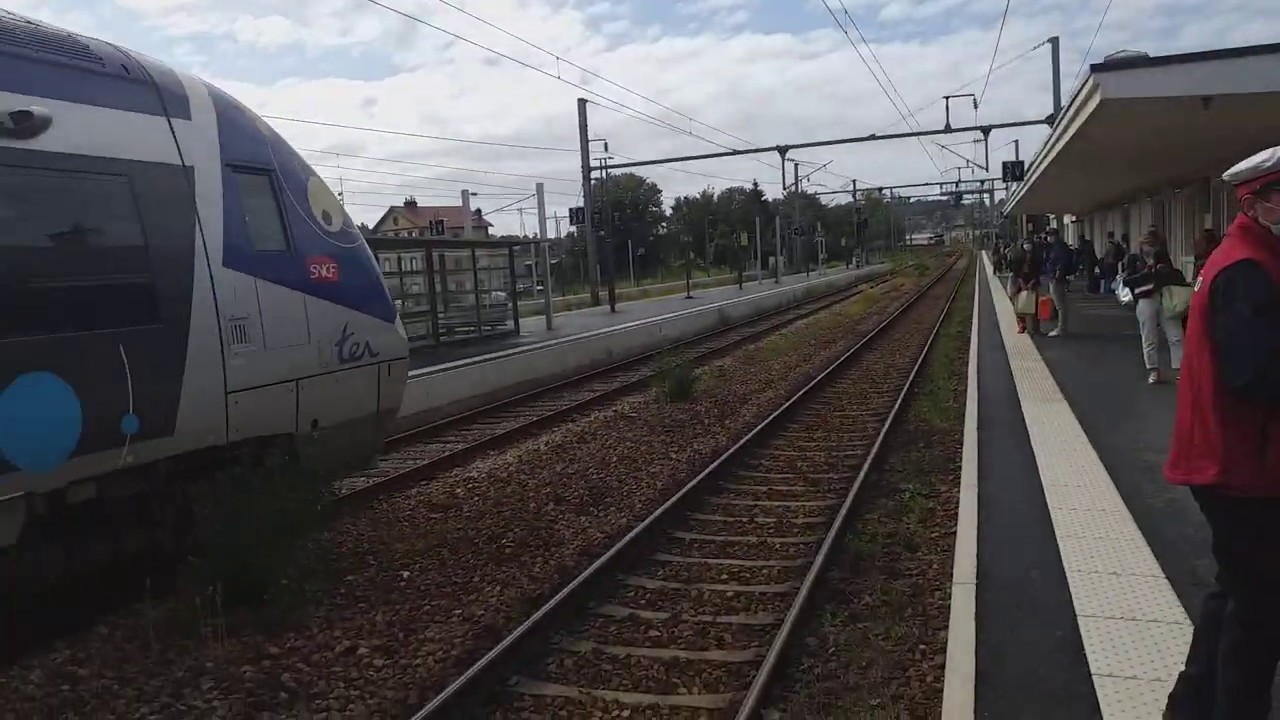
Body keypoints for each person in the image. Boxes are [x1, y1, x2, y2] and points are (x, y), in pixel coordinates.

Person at [1163, 145, 1280, 720]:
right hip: (1242, 467)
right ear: (1257, 202)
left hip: (1231, 461)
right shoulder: (1246, 269)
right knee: (1258, 616)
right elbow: (1255, 374)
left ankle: (1189, 710)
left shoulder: (1248, 256)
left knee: (1235, 594)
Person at [1123, 228, 1184, 384]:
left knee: (1175, 335)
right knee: (1149, 335)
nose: (1151, 249)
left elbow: (1172, 276)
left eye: (1154, 245)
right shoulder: (1134, 259)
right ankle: (1153, 369)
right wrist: (1148, 272)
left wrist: (1164, 271)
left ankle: (1180, 370)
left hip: (1164, 296)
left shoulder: (1162, 257)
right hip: (1145, 298)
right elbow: (1127, 280)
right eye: (1148, 245)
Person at [1006, 236, 1043, 334]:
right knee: (1019, 304)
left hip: (1032, 280)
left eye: (1029, 244)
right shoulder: (1017, 256)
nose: (1028, 246)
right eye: (1026, 244)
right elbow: (1015, 270)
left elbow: (1038, 271)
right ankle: (1022, 325)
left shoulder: (1036, 257)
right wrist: (1021, 282)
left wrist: (1031, 283)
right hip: (1019, 281)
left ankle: (1036, 328)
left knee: (1034, 305)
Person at [1045, 228, 1073, 336]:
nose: (1049, 238)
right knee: (1060, 304)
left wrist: (1057, 274)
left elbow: (1061, 262)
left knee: (1060, 305)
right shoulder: (1056, 247)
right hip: (1055, 277)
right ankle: (1061, 327)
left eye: (1050, 236)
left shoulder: (1059, 247)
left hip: (1057, 279)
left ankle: (1061, 328)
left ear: (1055, 236)